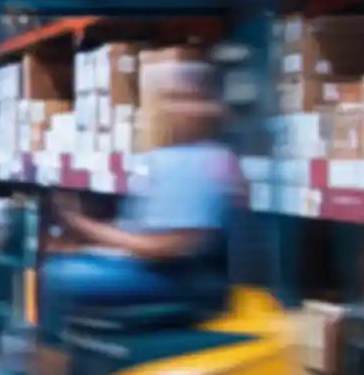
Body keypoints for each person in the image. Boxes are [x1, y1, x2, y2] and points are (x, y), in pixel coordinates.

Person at [37, 64, 239, 339]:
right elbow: (142, 231)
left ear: (213, 106)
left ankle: (55, 356)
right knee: (60, 263)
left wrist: (84, 226)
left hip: (181, 280)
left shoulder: (209, 161)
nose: (177, 109)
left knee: (60, 276)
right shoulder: (168, 157)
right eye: (171, 98)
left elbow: (166, 247)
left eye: (189, 99)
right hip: (154, 267)